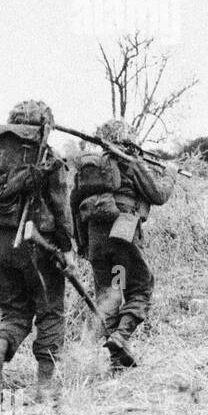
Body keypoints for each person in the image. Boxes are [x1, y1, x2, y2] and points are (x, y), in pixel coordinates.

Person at [0, 100, 73, 388]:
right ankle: (45, 387)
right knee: (50, 310)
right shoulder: (48, 157)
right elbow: (61, 208)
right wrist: (68, 250)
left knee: (14, 312)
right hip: (38, 244)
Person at [70, 119, 172, 372]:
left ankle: (117, 359)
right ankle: (121, 336)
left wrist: (82, 244)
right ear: (129, 139)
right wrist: (170, 174)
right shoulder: (129, 163)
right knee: (140, 287)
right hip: (123, 234)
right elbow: (158, 195)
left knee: (109, 295)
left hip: (96, 240)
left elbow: (74, 206)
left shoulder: (89, 169)